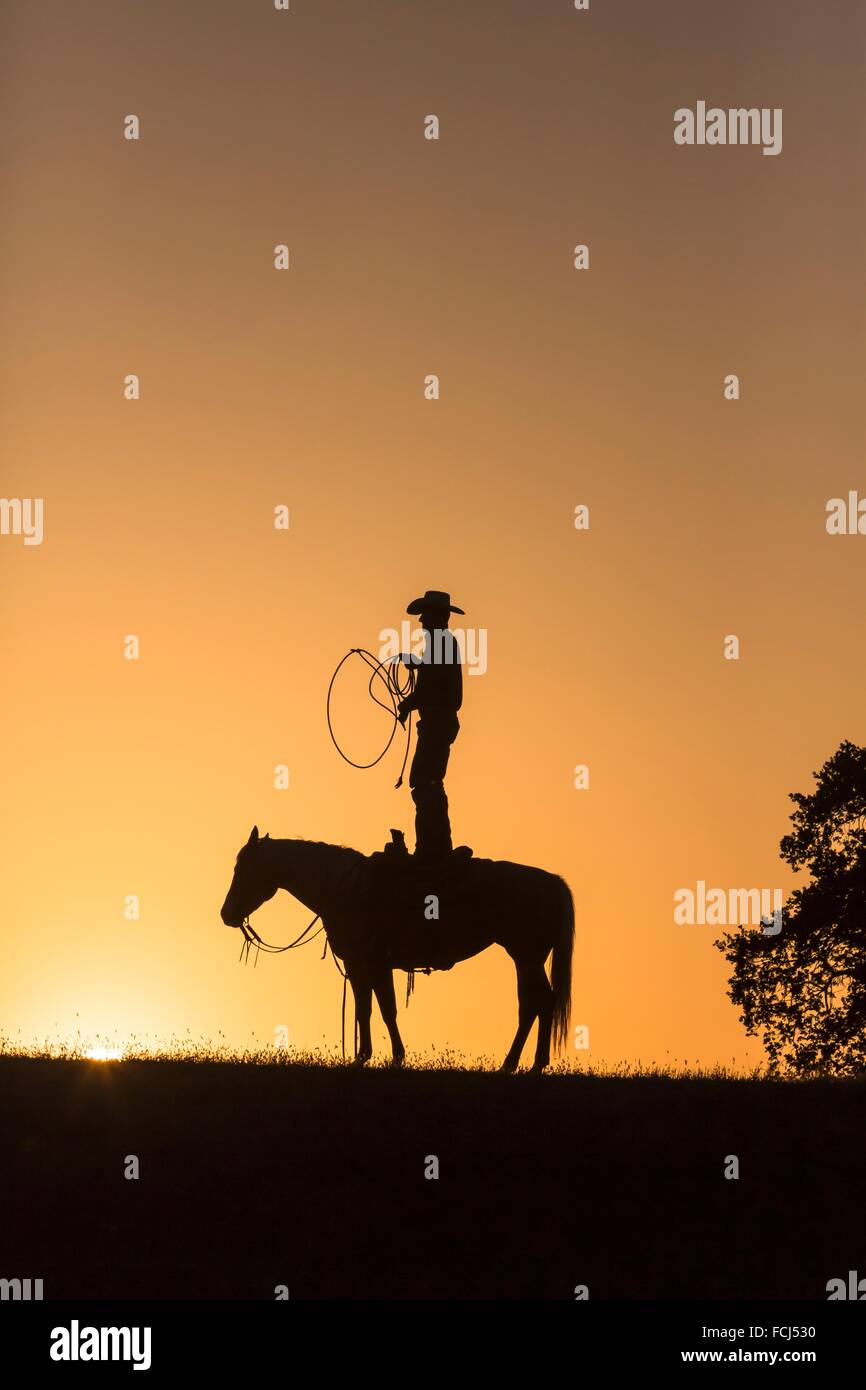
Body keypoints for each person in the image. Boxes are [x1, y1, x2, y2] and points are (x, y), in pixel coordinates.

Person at [395, 589, 469, 863]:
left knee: (426, 781)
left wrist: (405, 705)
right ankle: (433, 845)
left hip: (437, 723)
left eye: (426, 616)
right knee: (427, 780)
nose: (422, 621)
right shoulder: (442, 645)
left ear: (439, 618)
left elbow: (430, 691)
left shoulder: (441, 645)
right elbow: (433, 681)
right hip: (439, 722)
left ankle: (433, 847)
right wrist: (415, 663)